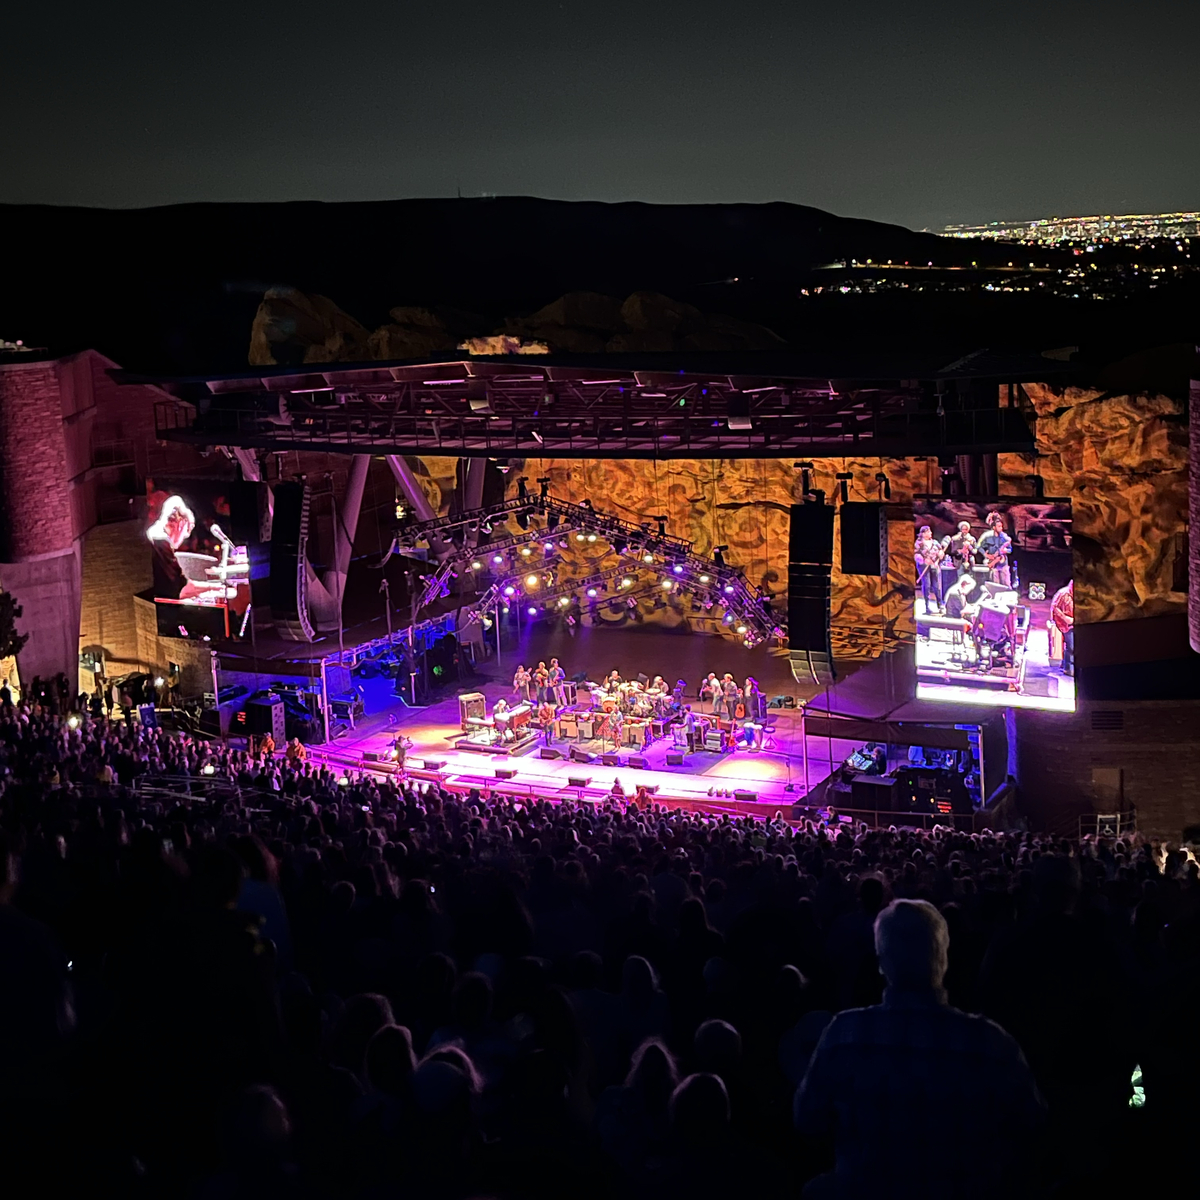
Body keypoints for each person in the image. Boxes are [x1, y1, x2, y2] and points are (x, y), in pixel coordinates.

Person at [794, 900, 1045, 1199]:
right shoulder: (990, 1043)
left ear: (882, 961)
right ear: (943, 957)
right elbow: (1033, 1123)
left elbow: (807, 1119)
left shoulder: (845, 1034)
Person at [977, 511, 1013, 587]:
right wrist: (986, 555)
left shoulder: (1005, 537)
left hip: (1003, 565)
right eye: (999, 526)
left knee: (1006, 585)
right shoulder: (986, 536)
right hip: (993, 565)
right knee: (995, 586)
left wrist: (1005, 550)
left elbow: (1010, 549)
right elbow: (978, 546)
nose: (1001, 528)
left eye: (1001, 526)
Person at [914, 525, 944, 614]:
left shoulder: (935, 542)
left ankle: (940, 605)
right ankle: (927, 606)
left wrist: (940, 554)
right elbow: (916, 554)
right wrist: (924, 560)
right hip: (924, 566)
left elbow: (941, 550)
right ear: (924, 533)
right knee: (927, 585)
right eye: (929, 531)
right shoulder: (919, 543)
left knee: (937, 586)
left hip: (934, 565)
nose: (931, 533)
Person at [1050, 578, 1074, 676]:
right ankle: (1068, 668)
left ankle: (1065, 663)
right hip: (1066, 624)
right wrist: (1065, 618)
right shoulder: (1063, 593)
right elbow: (1054, 607)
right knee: (1071, 646)